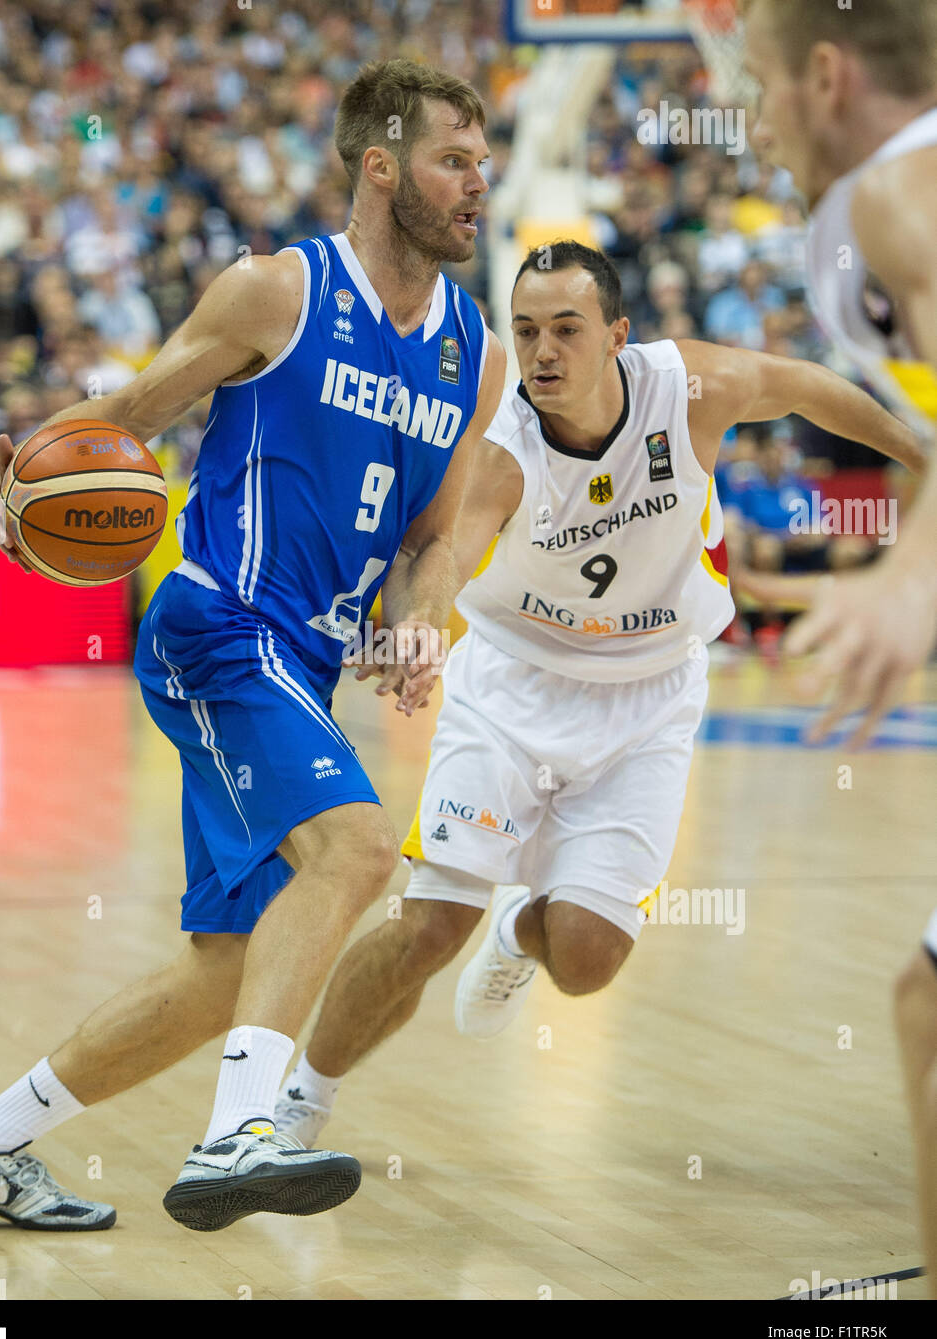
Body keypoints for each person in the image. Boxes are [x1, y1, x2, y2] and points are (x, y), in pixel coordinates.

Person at [0, 57, 505, 1234]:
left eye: (482, 164)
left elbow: (434, 538)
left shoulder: (471, 350)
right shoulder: (276, 292)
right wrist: (20, 491)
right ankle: (239, 1135)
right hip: (216, 628)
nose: (475, 184)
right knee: (354, 853)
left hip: (305, 664)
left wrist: (422, 615)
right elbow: (125, 421)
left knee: (225, 972)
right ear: (379, 167)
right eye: (453, 159)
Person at [272, 240, 926, 1147]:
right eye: (528, 330)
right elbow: (450, 551)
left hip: (651, 695)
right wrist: (420, 624)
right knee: (430, 926)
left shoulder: (689, 387)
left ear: (616, 334)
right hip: (512, 687)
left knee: (584, 962)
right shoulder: (502, 449)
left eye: (567, 330)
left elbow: (811, 387)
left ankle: (521, 936)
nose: (543, 352)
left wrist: (922, 453)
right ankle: (297, 1104)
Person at [740, 0, 937, 1293]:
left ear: (825, 74)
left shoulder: (896, 191)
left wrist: (903, 581)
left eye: (755, 87)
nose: (750, 125)